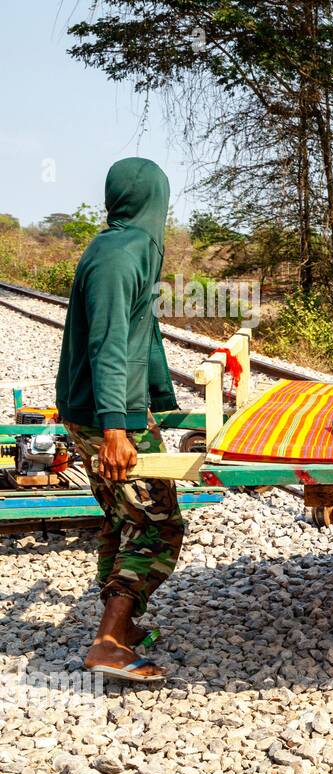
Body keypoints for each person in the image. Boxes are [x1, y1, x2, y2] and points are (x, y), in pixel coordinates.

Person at [55, 157, 183, 682]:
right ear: (154, 200)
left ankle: (121, 629)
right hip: (107, 417)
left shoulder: (125, 247)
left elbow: (139, 334)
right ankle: (108, 640)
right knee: (158, 525)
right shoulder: (120, 256)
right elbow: (108, 343)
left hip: (108, 410)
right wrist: (116, 428)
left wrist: (159, 398)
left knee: (119, 518)